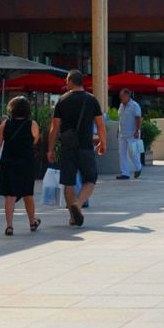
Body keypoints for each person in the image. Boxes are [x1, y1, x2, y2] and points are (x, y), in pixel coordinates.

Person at [46, 70, 106, 227]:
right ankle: (78, 204)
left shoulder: (62, 100)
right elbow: (100, 125)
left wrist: (50, 149)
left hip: (67, 146)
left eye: (67, 80)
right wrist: (103, 143)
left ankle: (73, 217)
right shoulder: (91, 100)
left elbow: (54, 127)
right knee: (90, 179)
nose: (65, 83)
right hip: (85, 146)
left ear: (72, 81)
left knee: (68, 182)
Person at [0, 95, 40, 236]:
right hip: (26, 163)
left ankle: (9, 226)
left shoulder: (5, 124)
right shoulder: (32, 124)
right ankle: (32, 222)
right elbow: (35, 140)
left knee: (10, 195)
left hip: (8, 162)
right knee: (27, 194)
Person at [115, 87, 144, 179]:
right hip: (122, 134)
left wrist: (137, 131)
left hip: (132, 133)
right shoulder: (121, 106)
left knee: (133, 153)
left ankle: (139, 167)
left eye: (122, 96)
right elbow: (120, 119)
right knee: (122, 153)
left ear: (127, 95)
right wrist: (118, 131)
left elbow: (138, 119)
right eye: (120, 96)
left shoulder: (135, 105)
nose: (120, 97)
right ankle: (125, 173)